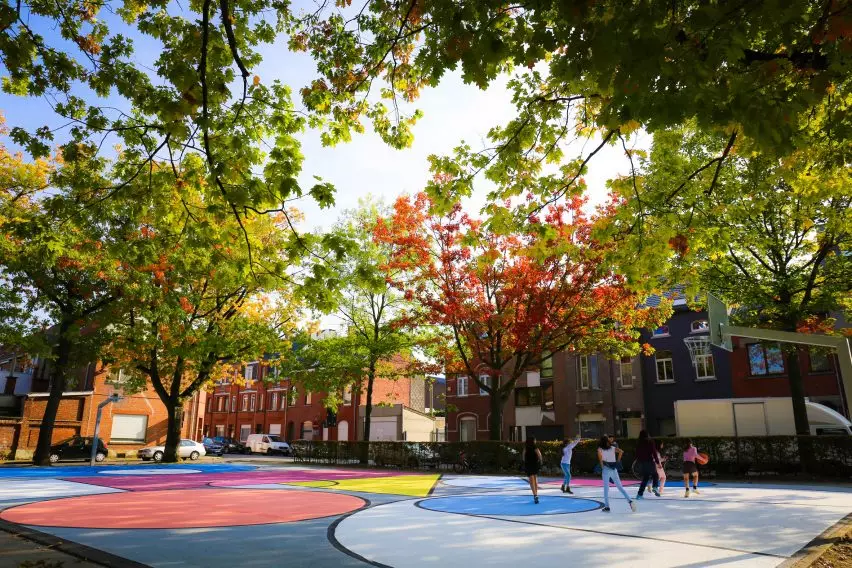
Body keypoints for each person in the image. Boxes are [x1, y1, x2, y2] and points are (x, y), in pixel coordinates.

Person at [598, 435, 636, 513]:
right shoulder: (613, 448)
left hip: (606, 469)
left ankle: (607, 507)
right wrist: (617, 461)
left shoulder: (600, 449)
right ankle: (630, 501)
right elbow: (621, 451)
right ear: (608, 441)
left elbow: (601, 461)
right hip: (614, 469)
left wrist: (603, 469)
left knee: (606, 489)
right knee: (620, 487)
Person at [634, 430, 660, 499]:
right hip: (649, 461)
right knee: (655, 474)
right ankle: (655, 487)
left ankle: (639, 494)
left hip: (642, 462)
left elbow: (636, 453)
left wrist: (639, 461)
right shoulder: (650, 441)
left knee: (645, 478)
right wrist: (657, 462)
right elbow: (654, 452)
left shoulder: (638, 443)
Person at [524, 436, 543, 504]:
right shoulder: (535, 447)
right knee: (535, 478)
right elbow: (540, 455)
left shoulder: (526, 448)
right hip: (535, 464)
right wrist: (540, 462)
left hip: (528, 464)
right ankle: (536, 494)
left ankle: (535, 495)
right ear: (533, 441)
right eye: (535, 440)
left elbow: (523, 456)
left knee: (531, 480)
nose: (535, 441)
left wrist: (525, 462)